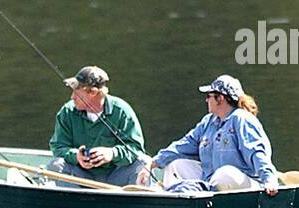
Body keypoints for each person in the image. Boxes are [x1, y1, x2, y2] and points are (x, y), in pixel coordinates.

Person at [150, 76, 280, 194]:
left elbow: (256, 152)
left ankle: (196, 192)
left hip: (244, 183)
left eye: (209, 96)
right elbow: (184, 145)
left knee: (224, 174)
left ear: (220, 98)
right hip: (211, 181)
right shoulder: (208, 122)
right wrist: (154, 162)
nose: (206, 100)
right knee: (176, 165)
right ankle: (176, 200)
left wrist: (269, 179)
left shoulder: (241, 119)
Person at [48, 66, 153, 187]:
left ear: (93, 92)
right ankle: (75, 198)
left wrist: (112, 153)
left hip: (117, 176)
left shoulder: (122, 111)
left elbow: (136, 149)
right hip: (81, 177)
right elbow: (58, 147)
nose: (72, 97)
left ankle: (133, 199)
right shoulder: (67, 112)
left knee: (144, 162)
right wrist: (76, 156)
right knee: (56, 165)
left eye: (76, 92)